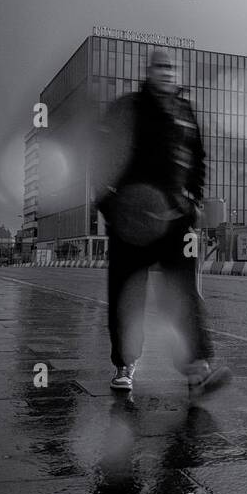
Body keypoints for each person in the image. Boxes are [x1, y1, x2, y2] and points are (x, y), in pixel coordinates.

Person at [93, 48, 231, 405]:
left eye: (172, 67)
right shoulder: (127, 108)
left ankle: (196, 369)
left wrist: (195, 198)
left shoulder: (185, 111)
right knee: (127, 295)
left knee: (183, 294)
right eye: (160, 67)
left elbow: (198, 157)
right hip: (131, 222)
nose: (167, 72)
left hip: (175, 220)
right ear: (149, 71)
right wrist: (107, 205)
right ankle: (124, 365)